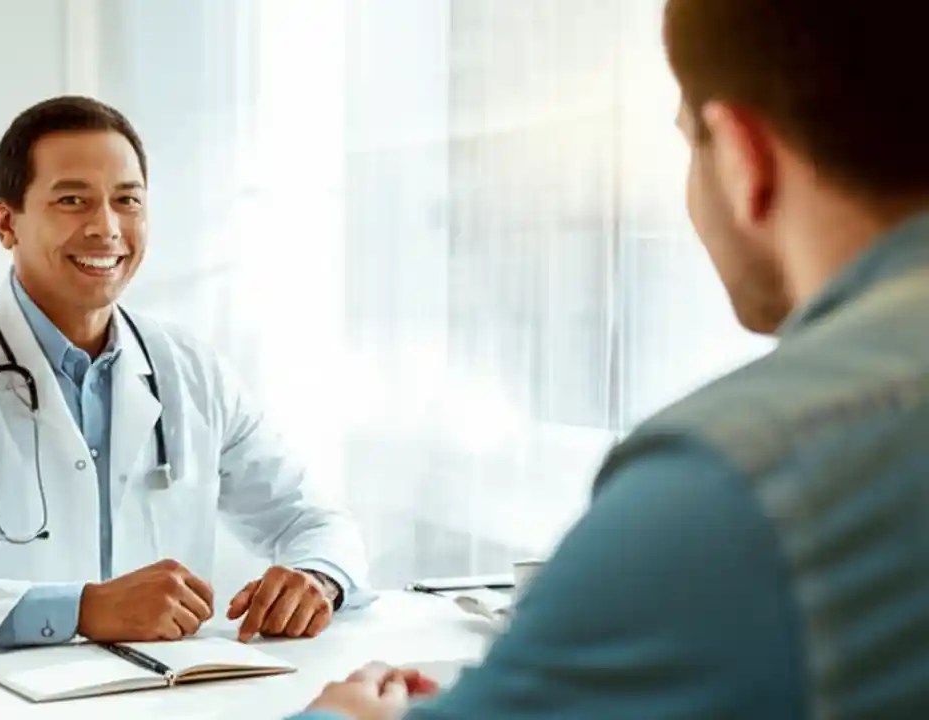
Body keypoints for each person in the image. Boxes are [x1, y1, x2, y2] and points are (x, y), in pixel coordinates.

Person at [296, 0, 929, 717]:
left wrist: (342, 715)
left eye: (689, 146)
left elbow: (311, 523)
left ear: (743, 156)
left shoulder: (739, 481)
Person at [0, 96, 371, 658]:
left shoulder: (192, 372)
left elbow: (315, 520)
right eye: (72, 200)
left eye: (127, 200)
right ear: (7, 222)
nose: (106, 228)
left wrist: (316, 579)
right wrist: (79, 609)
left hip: (170, 698)